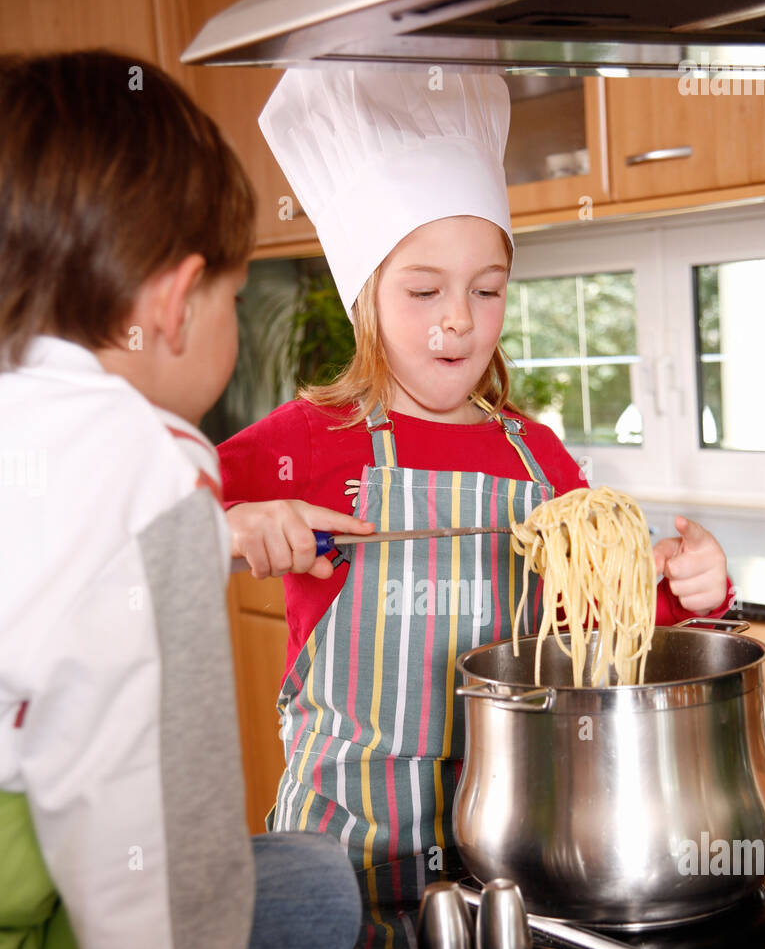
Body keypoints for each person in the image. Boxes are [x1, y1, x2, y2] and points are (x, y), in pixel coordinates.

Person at [0, 50, 371, 949]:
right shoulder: (140, 470)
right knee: (317, 890)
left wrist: (219, 534)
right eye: (232, 296)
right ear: (170, 301)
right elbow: (160, 838)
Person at [220, 67, 732, 872]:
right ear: (365, 296)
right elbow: (126, 526)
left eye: (487, 290)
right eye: (424, 291)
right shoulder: (312, 439)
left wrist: (687, 589)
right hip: (339, 857)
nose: (459, 319)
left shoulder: (538, 455)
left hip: (512, 849)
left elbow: (605, 633)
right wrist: (228, 525)